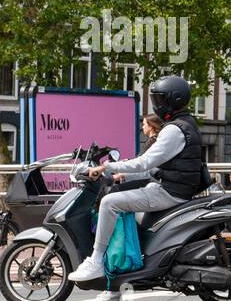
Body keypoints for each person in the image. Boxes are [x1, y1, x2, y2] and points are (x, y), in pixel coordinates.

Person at [68, 76, 207, 287]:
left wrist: (107, 166)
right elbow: (152, 167)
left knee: (109, 202)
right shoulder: (186, 125)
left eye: (158, 100)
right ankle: (114, 288)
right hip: (172, 187)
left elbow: (145, 162)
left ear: (171, 100)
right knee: (122, 219)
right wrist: (122, 174)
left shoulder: (174, 130)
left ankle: (96, 261)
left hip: (168, 191)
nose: (156, 105)